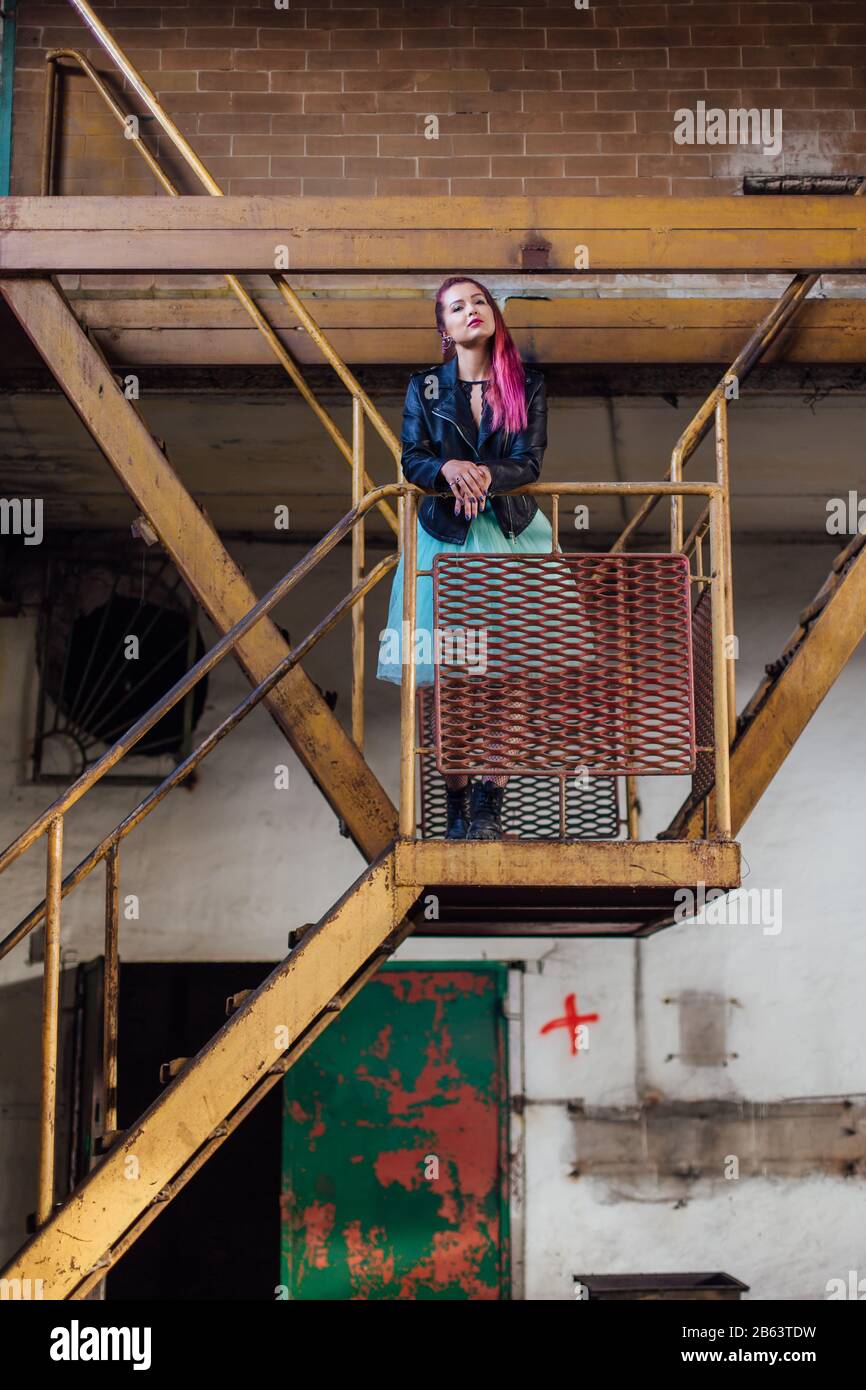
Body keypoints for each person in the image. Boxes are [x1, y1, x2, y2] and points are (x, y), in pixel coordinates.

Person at [376, 276, 552, 840]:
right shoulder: (424, 388)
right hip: (444, 540)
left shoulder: (527, 384)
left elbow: (529, 463)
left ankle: (486, 809)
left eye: (479, 301)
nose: (471, 310)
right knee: (444, 679)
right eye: (457, 306)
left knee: (512, 679)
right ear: (445, 330)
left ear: (493, 317)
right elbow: (413, 459)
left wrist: (483, 474)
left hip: (511, 533)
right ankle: (454, 804)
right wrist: (448, 470)